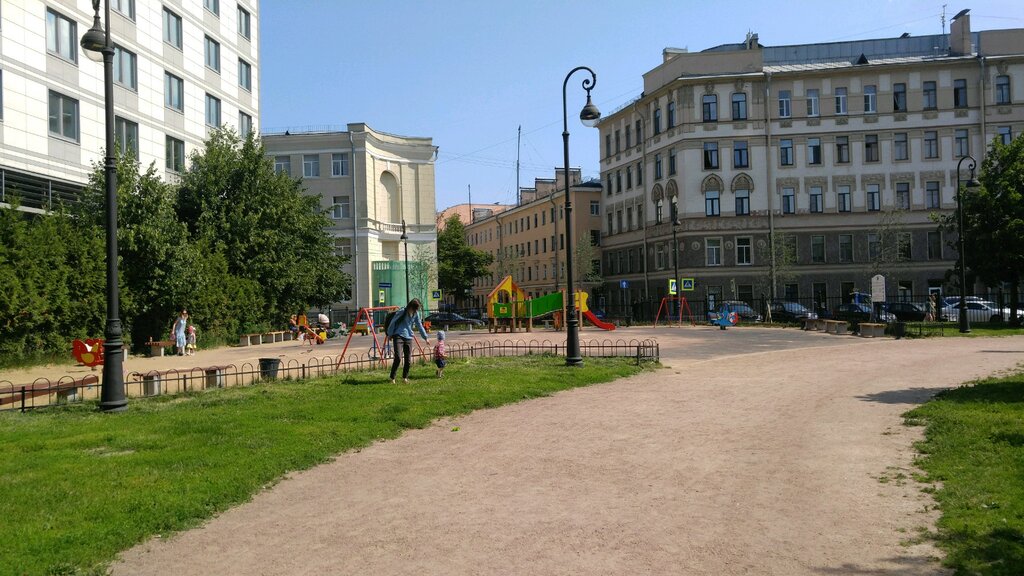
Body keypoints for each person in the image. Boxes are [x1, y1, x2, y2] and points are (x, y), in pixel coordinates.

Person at [386, 299, 429, 383]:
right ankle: (392, 378)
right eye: (414, 309)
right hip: (398, 335)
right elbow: (393, 322)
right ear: (410, 306)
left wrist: (425, 337)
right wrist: (389, 334)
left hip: (409, 337)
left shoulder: (416, 314)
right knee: (398, 357)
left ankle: (404, 377)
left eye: (416, 309)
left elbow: (419, 325)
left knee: (408, 359)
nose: (415, 311)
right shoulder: (402, 311)